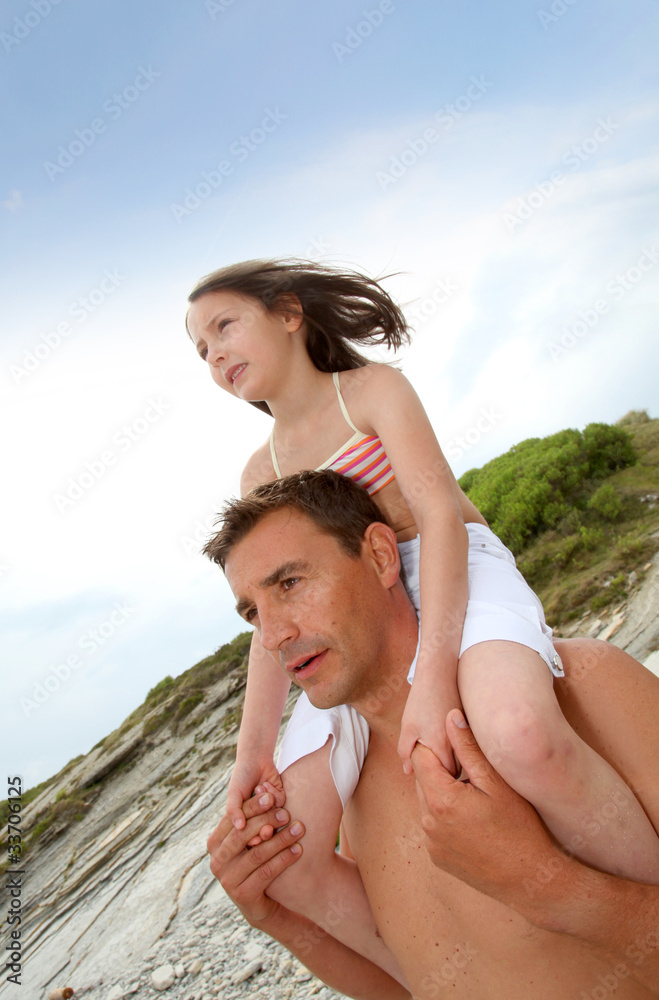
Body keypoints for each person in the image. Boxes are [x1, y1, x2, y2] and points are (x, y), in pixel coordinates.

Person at [187, 259, 659, 970]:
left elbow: (437, 514)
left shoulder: (370, 391)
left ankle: (637, 910)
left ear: (288, 313)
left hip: (451, 561)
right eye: (200, 349)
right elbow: (271, 615)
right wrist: (249, 755)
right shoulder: (262, 470)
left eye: (223, 326)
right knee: (284, 845)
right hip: (351, 600)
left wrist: (433, 677)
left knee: (520, 731)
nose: (214, 353)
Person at [205, 471, 659, 998]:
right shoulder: (353, 809)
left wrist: (544, 880)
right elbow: (414, 985)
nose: (273, 634)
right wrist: (275, 918)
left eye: (291, 584)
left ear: (380, 555)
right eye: (253, 613)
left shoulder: (588, 692)